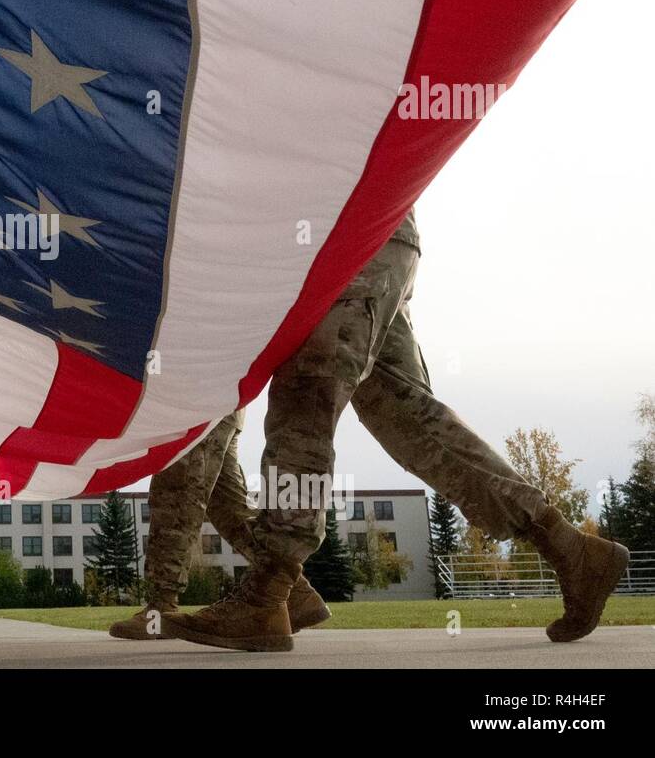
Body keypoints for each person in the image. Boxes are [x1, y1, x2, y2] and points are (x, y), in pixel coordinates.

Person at [164, 210, 629, 651]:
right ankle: (568, 545)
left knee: (304, 405)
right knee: (410, 418)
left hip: (342, 238)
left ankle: (267, 594)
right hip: (378, 232)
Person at [108, 412, 329, 639]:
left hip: (197, 406)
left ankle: (160, 608)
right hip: (218, 403)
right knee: (227, 507)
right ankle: (296, 594)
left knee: (177, 495)